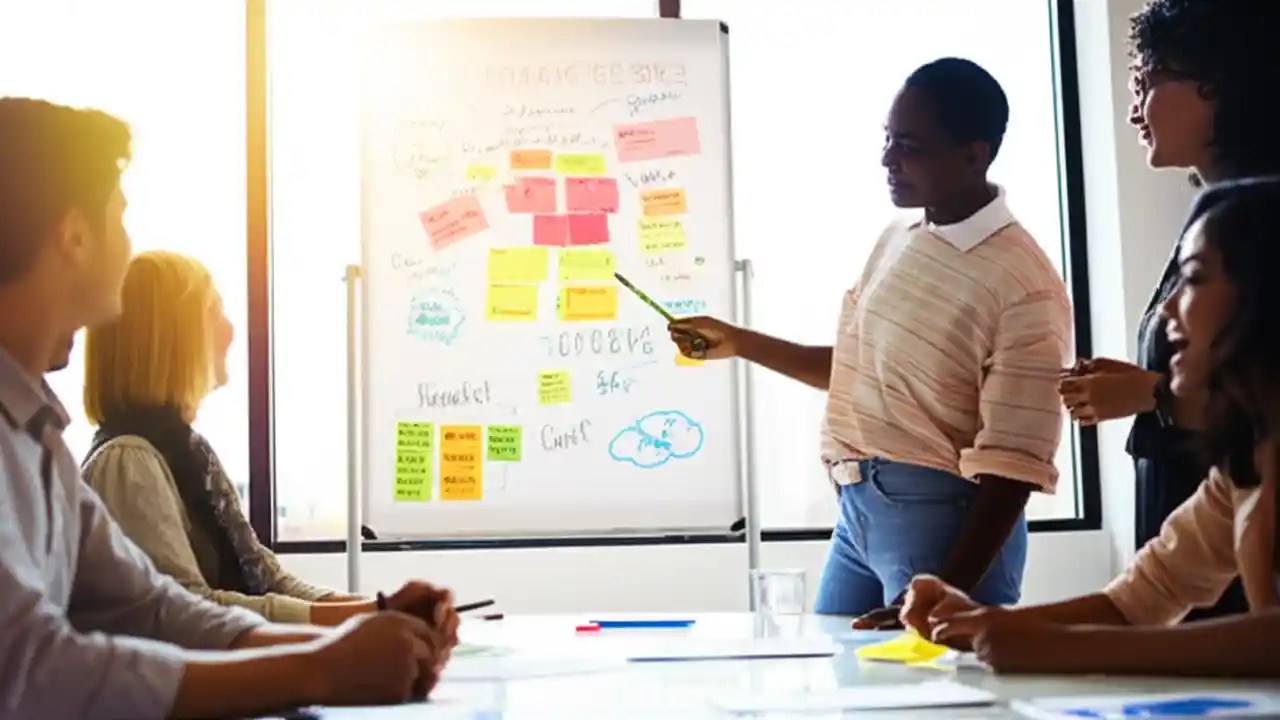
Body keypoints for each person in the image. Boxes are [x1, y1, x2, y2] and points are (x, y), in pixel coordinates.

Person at [0, 96, 456, 718]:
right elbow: (34, 669)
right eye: (121, 217)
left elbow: (156, 608)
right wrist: (322, 667)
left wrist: (361, 641)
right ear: (75, 236)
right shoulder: (91, 450)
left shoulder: (38, 438)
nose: (127, 244)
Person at [670, 58, 1071, 624]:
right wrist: (738, 342)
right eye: (887, 138)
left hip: (941, 523)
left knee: (931, 705)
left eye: (909, 145)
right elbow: (859, 369)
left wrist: (946, 588)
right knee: (839, 682)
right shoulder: (900, 238)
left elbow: (1015, 466)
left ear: (974, 155)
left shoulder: (1023, 284)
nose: (888, 159)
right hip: (860, 512)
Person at [903, 178, 1280, 677]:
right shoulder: (1243, 465)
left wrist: (1059, 648)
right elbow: (1139, 601)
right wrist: (976, 624)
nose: (1167, 311)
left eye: (1193, 279)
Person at [1058, 0, 1280, 619]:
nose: (1135, 108)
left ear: (1217, 84)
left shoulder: (1259, 228)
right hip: (1195, 532)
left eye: (1147, 82)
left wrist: (1150, 394)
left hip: (1241, 563)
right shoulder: (1208, 219)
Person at [80, 250, 383, 625]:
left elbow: (267, 578)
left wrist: (379, 610)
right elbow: (187, 612)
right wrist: (364, 617)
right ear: (170, 338)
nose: (230, 330)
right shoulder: (128, 462)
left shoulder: (187, 450)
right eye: (212, 312)